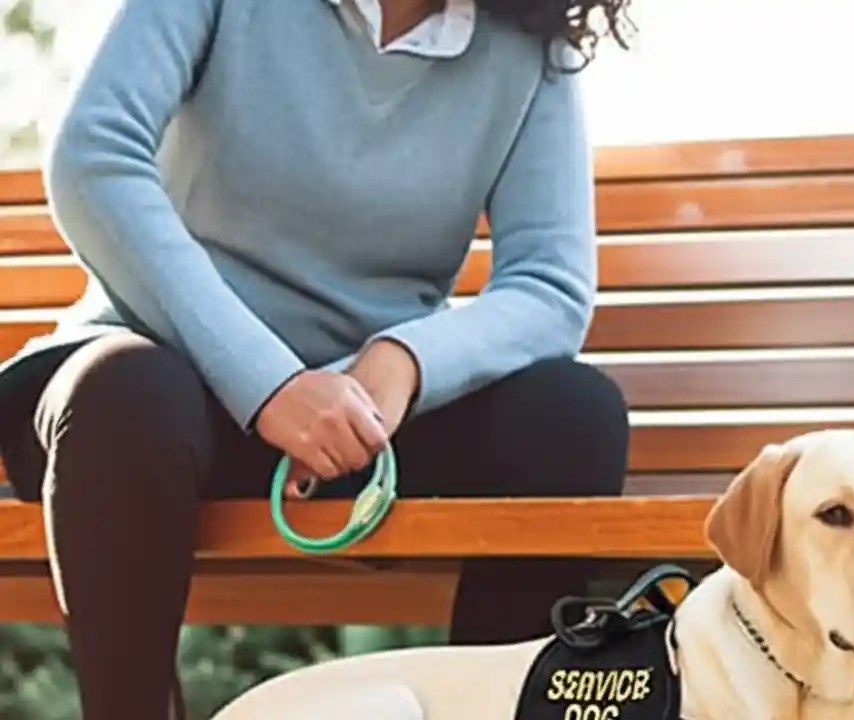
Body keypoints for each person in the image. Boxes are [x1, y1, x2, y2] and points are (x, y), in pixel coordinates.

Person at [0, 0, 635, 717]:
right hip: (146, 407)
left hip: (357, 430)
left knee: (573, 415)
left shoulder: (532, 44)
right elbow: (94, 157)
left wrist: (398, 366)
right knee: (123, 393)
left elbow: (550, 285)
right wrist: (270, 385)